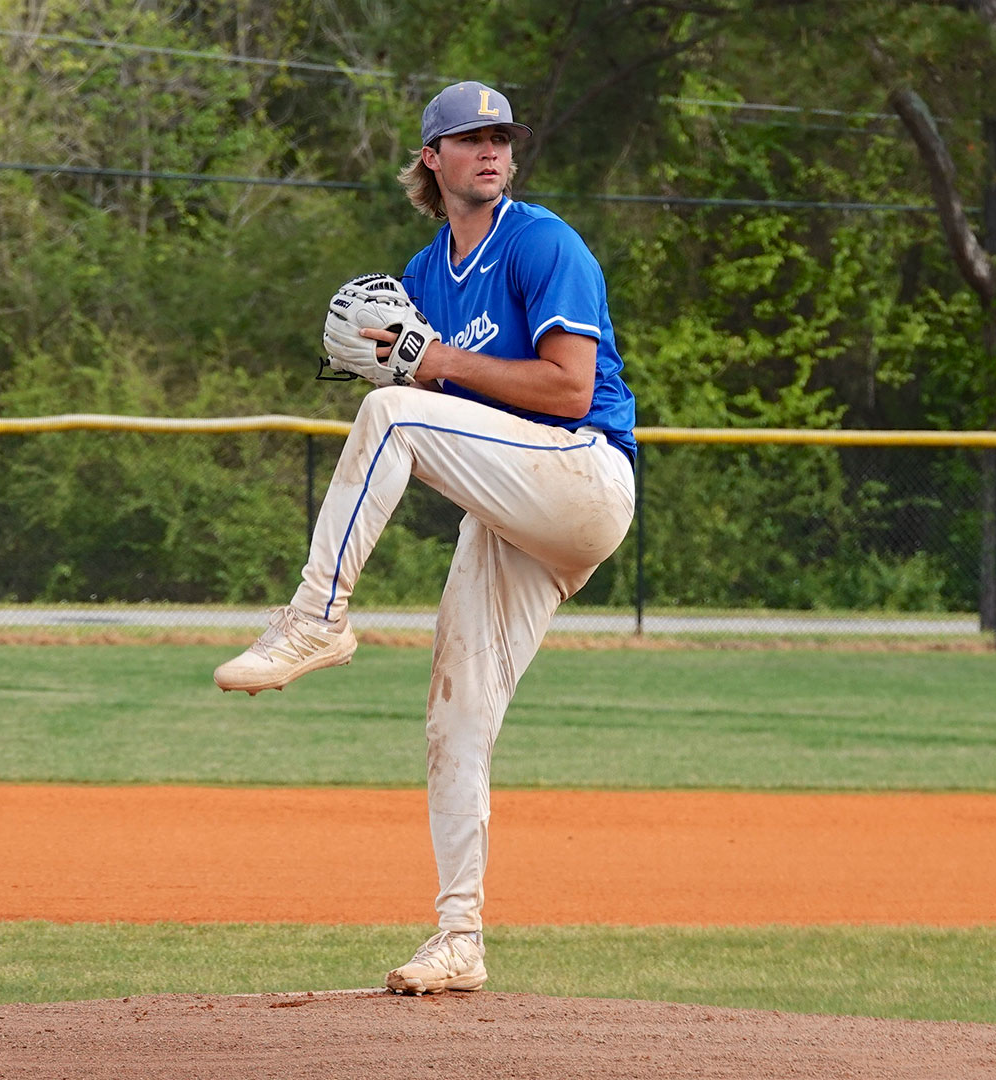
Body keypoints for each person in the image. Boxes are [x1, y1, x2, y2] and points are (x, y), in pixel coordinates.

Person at [214, 80, 637, 995]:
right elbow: (443, 404)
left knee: (391, 413)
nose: (491, 149)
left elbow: (570, 389)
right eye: (470, 137)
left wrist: (428, 364)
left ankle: (316, 616)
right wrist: (419, 369)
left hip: (585, 475)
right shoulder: (420, 278)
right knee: (455, 714)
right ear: (430, 160)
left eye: (502, 136)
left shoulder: (542, 241)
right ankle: (459, 937)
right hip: (511, 508)